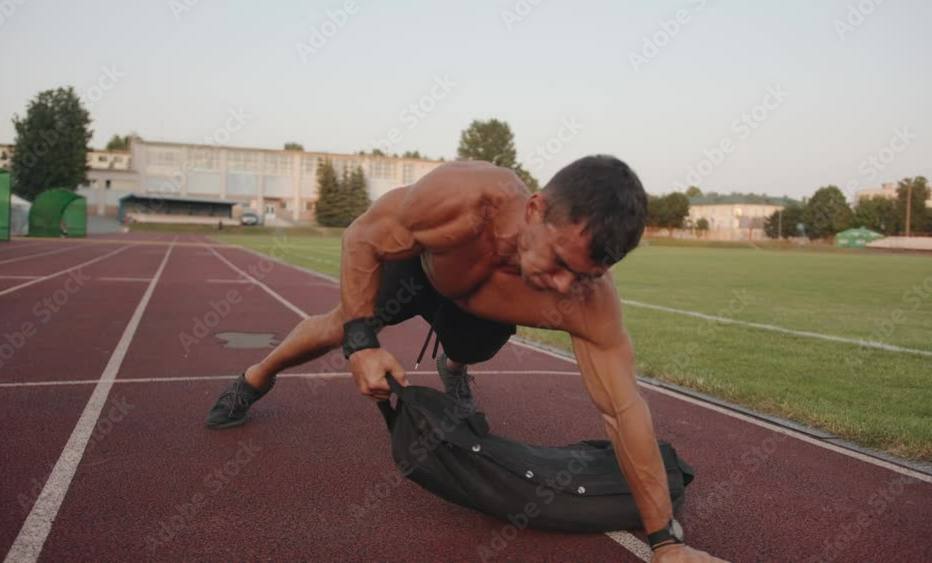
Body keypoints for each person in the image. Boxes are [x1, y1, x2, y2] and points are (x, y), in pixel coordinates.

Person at [206, 155, 725, 562]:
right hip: (418, 275)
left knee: (467, 349)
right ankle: (256, 377)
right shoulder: (465, 199)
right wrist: (362, 344)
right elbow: (362, 236)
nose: (565, 285)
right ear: (535, 209)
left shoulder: (589, 303)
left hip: (481, 318)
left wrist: (666, 542)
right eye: (561, 262)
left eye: (585, 275)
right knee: (336, 324)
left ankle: (453, 367)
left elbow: (622, 410)